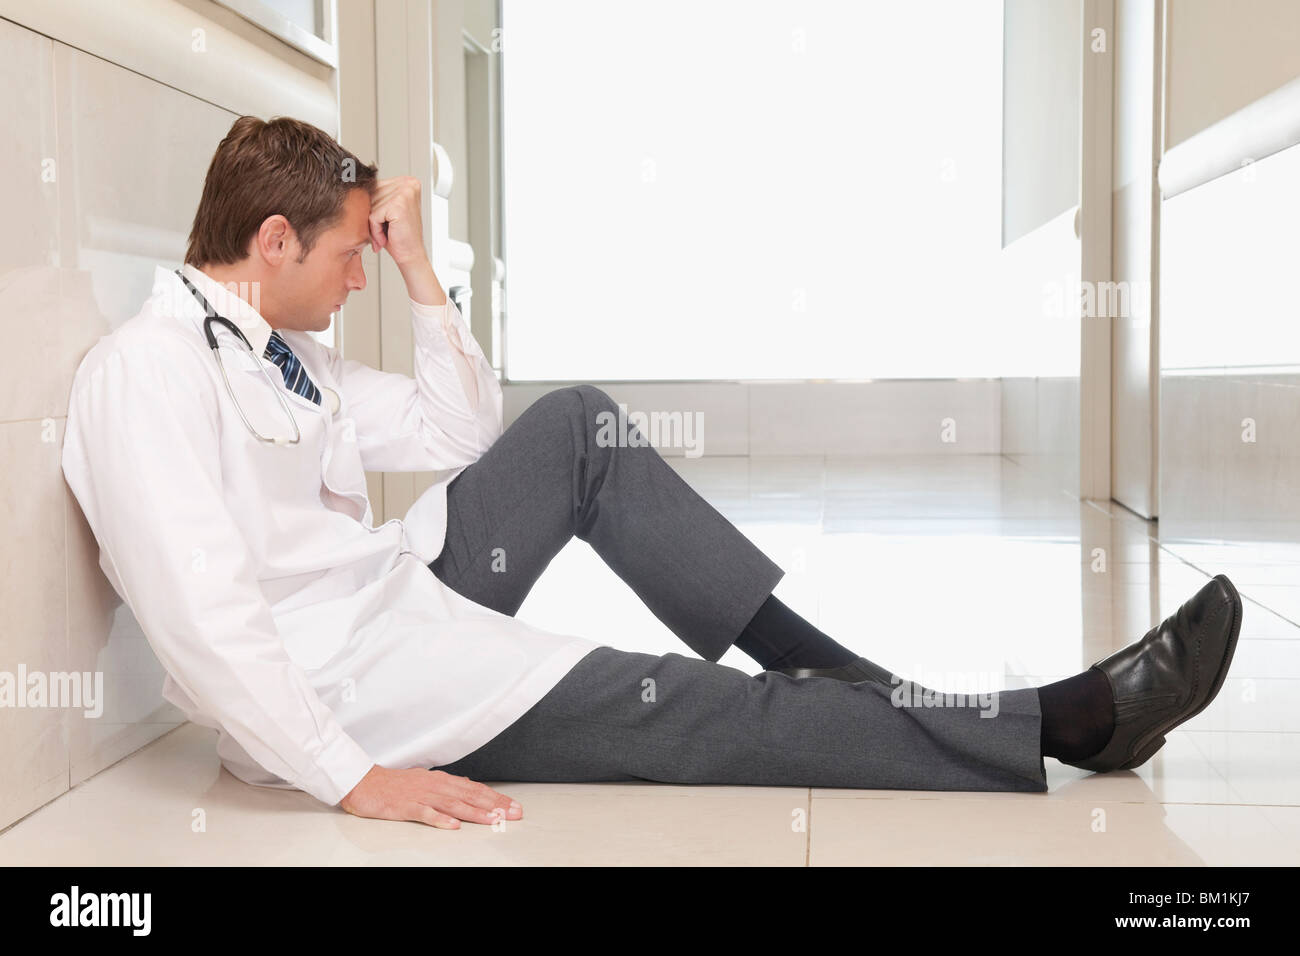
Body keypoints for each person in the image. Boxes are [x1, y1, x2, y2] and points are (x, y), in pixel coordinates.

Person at [61, 116, 1243, 831]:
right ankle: (1057, 723)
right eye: (345, 255)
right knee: (696, 710)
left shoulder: (282, 349)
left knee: (577, 424)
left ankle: (837, 667)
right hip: (361, 693)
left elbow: (460, 427)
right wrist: (351, 774)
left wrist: (420, 269)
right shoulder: (145, 377)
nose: (355, 279)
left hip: (402, 599)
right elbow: (208, 622)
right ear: (273, 242)